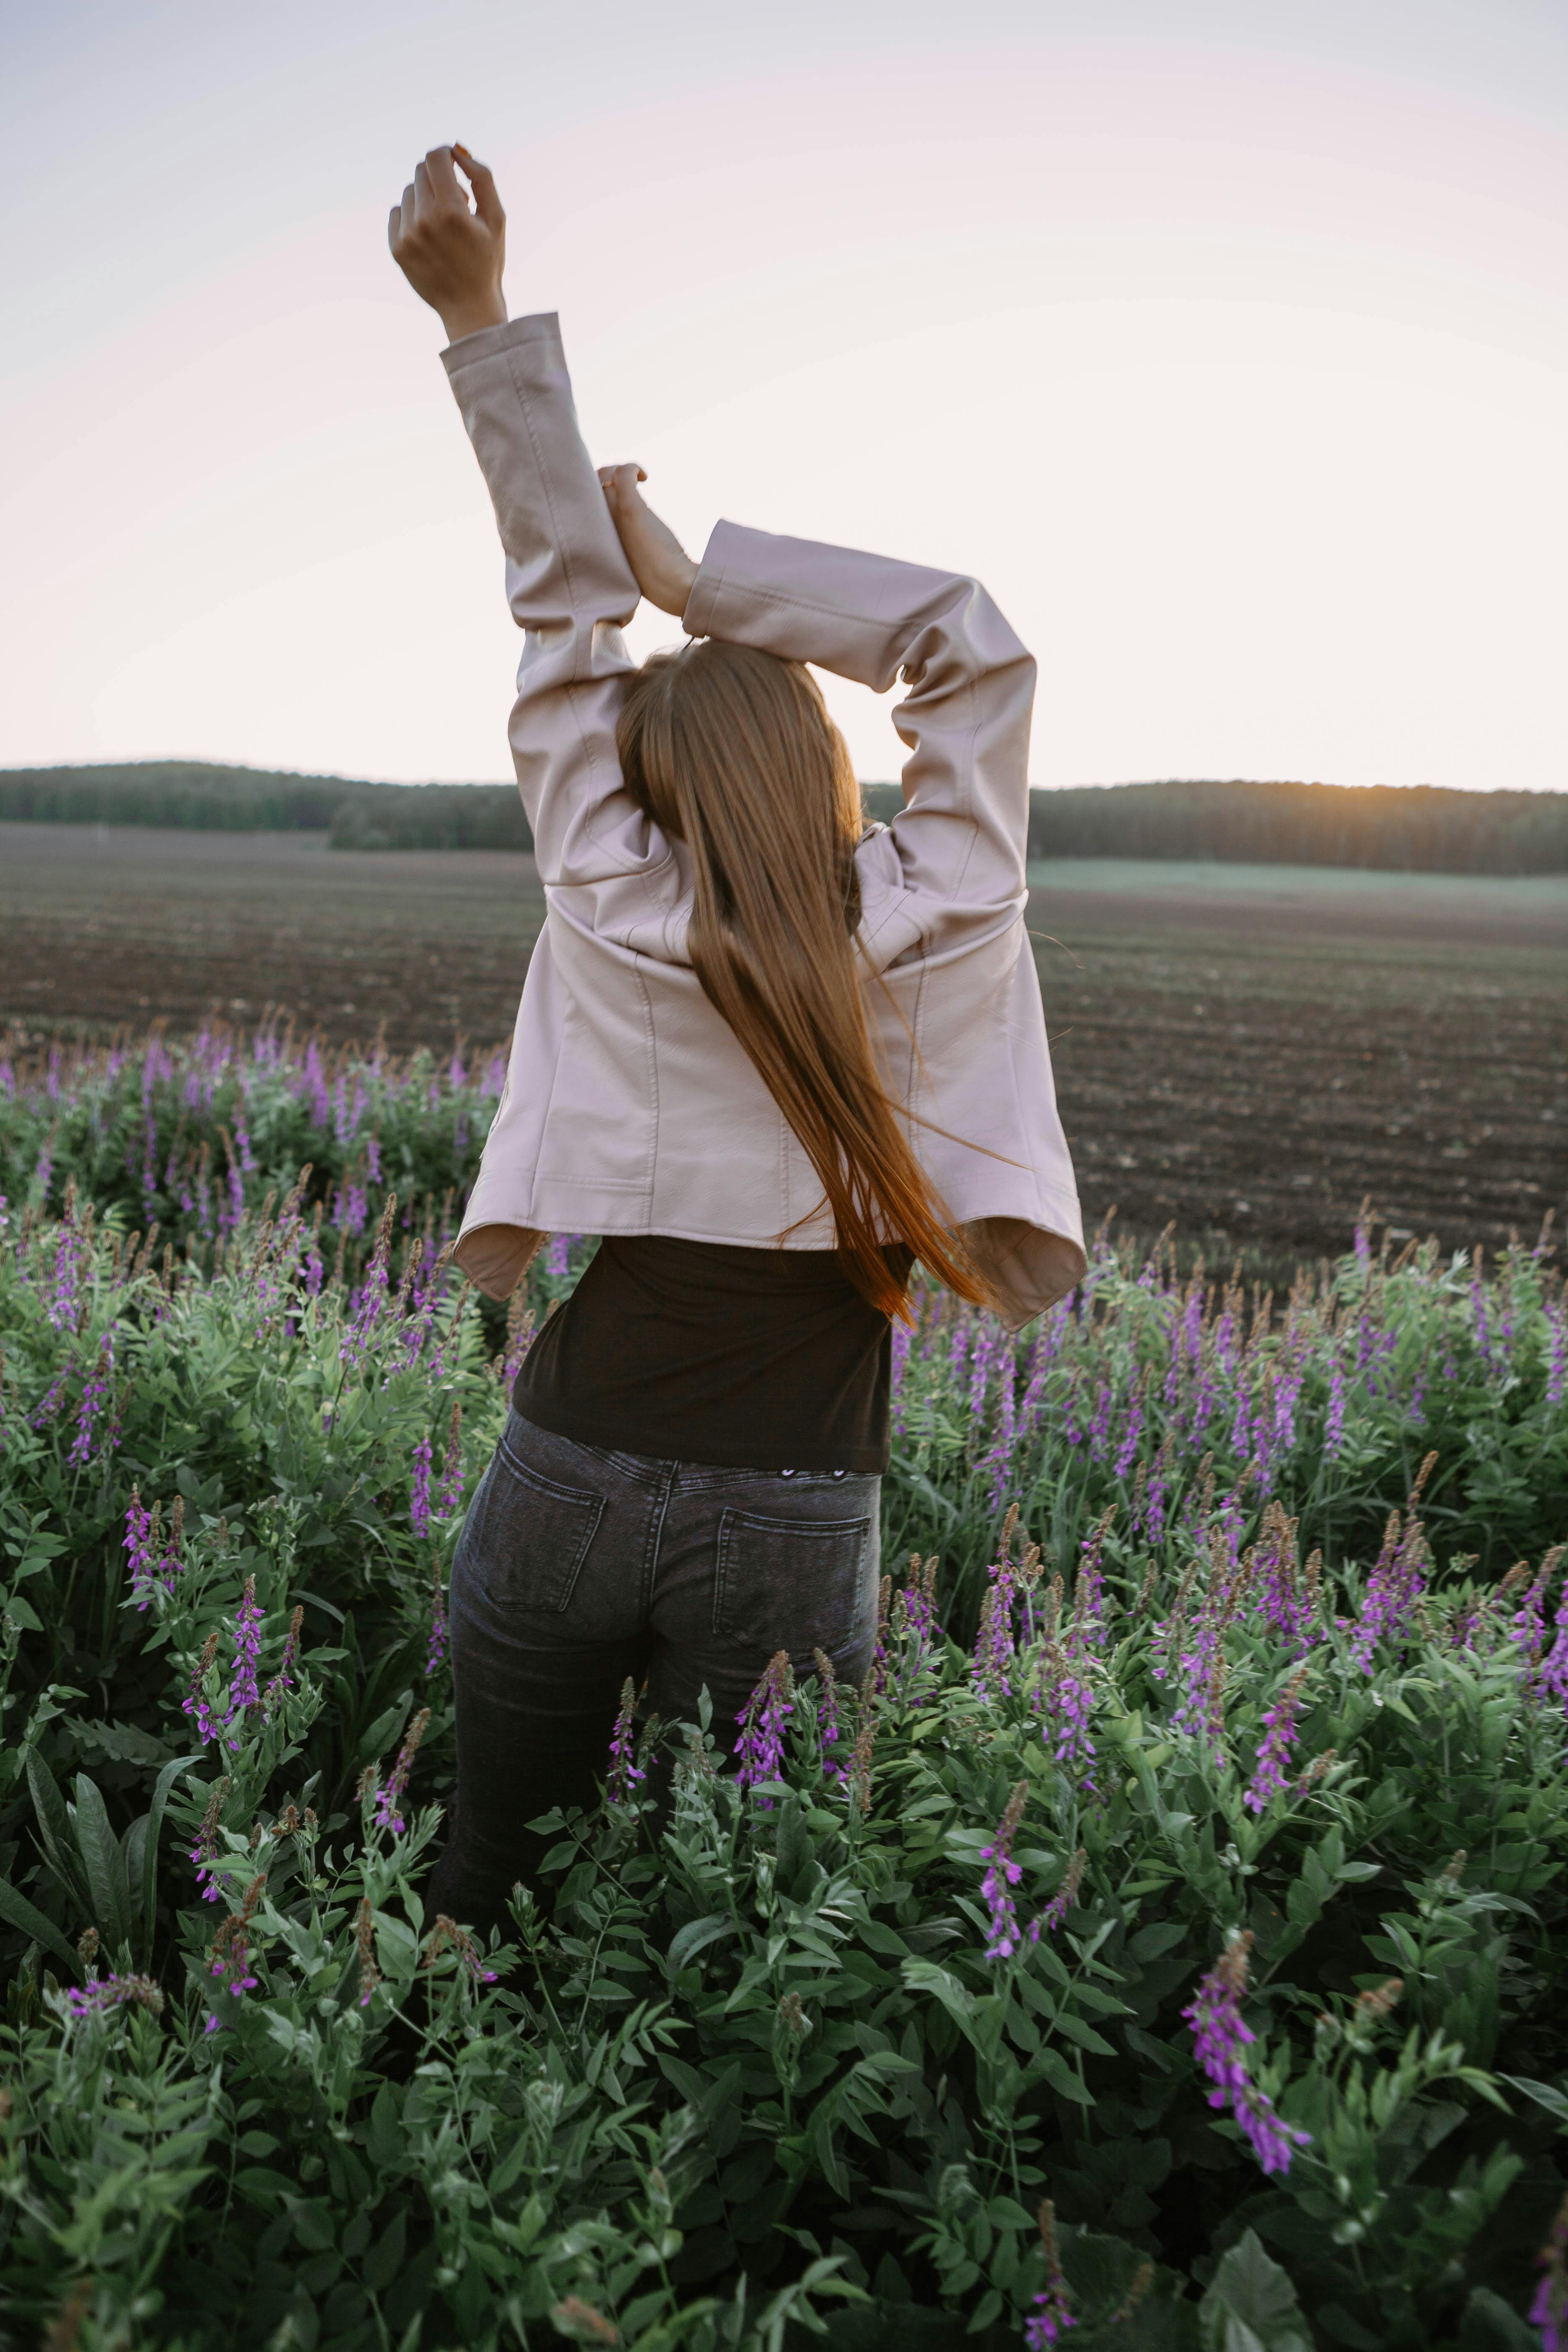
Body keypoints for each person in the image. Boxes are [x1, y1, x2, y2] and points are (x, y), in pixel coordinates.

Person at [388, 146, 1086, 1932]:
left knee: (486, 1884)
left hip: (566, 1465)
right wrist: (707, 589)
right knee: (734, 1920)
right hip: (795, 1506)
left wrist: (481, 316)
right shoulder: (943, 916)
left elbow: (558, 626)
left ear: (643, 790)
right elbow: (971, 650)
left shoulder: (611, 902)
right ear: (824, 772)